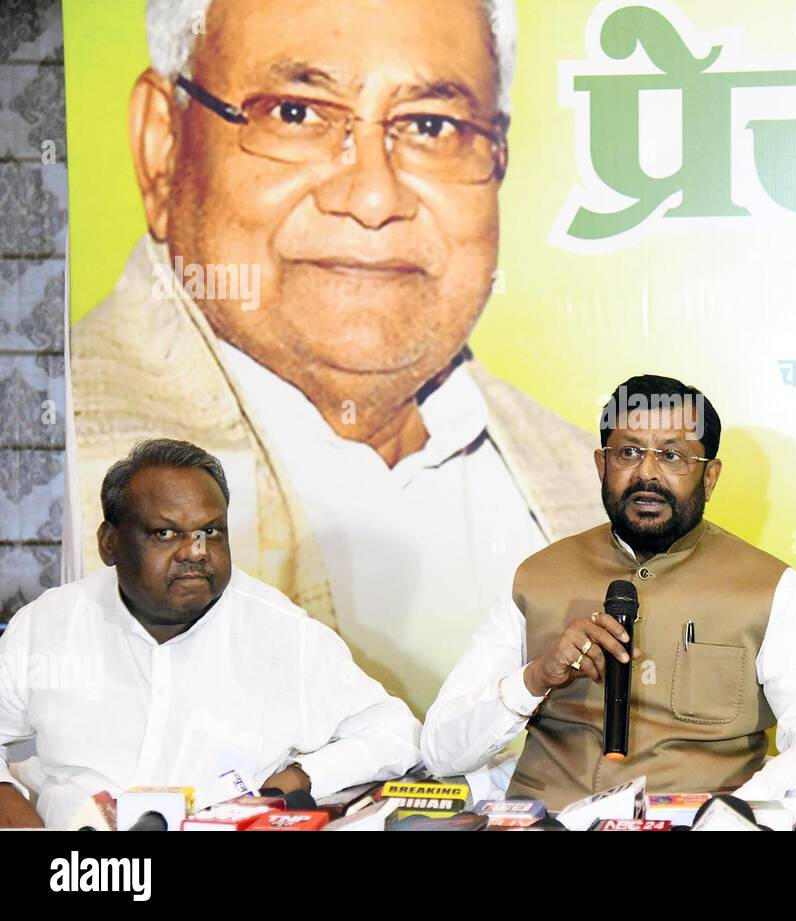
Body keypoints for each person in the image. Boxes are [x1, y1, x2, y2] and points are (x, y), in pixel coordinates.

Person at [69, 0, 603, 711]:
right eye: (297, 113)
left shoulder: (585, 484)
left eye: (431, 126)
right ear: (161, 145)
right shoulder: (46, 465)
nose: (373, 194)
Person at [422, 375, 796, 809]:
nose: (647, 474)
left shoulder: (769, 588)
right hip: (548, 819)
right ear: (601, 465)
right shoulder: (537, 577)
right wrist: (534, 679)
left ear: (710, 477)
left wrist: (733, 810)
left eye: (672, 455)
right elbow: (441, 749)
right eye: (629, 452)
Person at [0, 439, 420, 829]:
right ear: (110, 543)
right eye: (165, 533)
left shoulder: (285, 636)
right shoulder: (48, 625)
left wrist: (301, 776)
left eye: (210, 531)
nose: (195, 552)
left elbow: (396, 733)